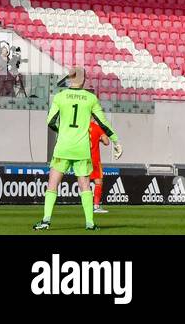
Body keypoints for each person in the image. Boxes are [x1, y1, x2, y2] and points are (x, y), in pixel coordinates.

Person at [33, 67, 121, 231]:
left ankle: (46, 221)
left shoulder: (60, 97)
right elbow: (103, 123)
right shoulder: (90, 98)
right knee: (85, 186)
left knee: (53, 184)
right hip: (81, 149)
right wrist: (116, 141)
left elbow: (50, 121)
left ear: (69, 79)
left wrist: (62, 130)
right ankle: (89, 223)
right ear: (84, 80)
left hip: (63, 147)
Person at [89, 118, 110, 215]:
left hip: (82, 159)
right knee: (98, 182)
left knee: (84, 182)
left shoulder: (81, 127)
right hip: (94, 160)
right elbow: (107, 142)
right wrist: (99, 140)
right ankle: (96, 206)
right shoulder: (96, 127)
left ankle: (87, 205)